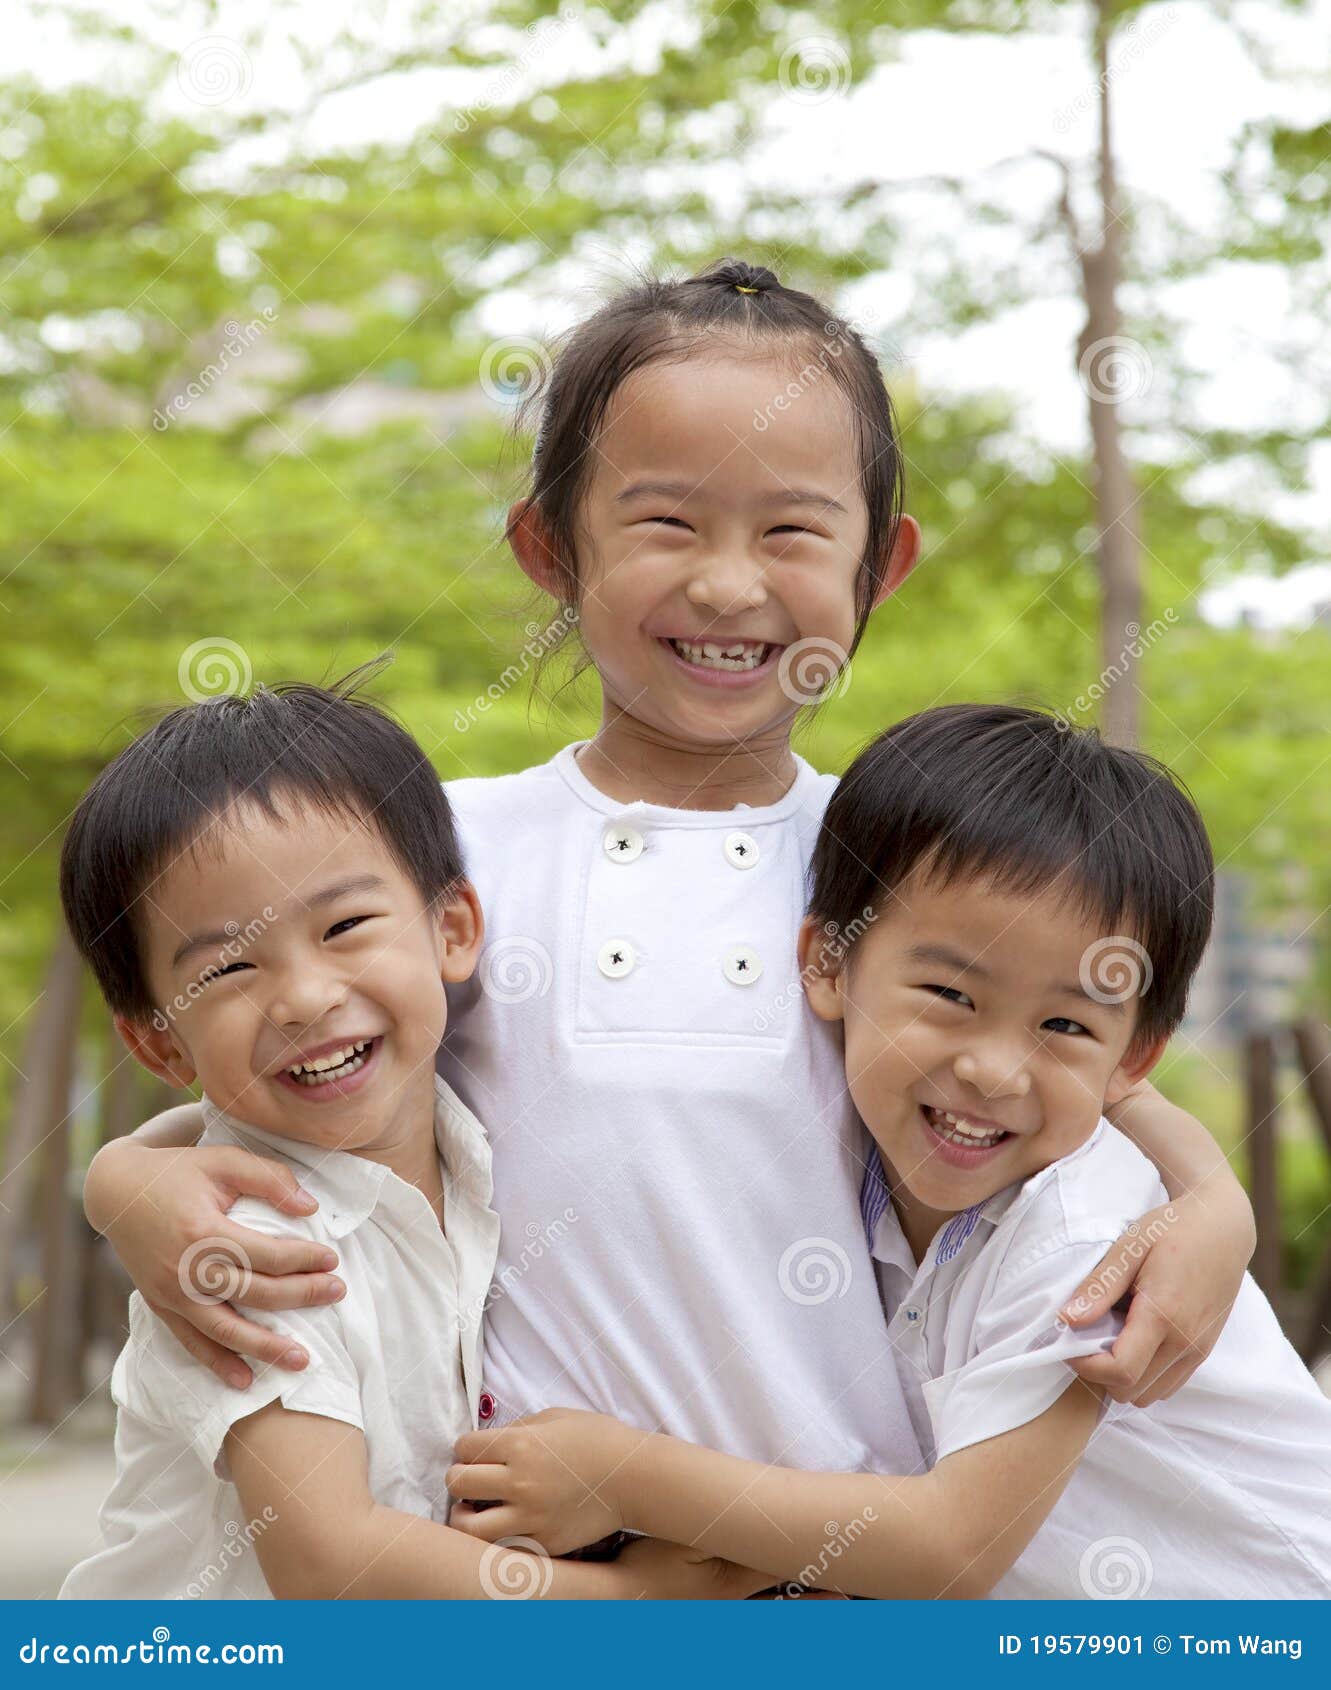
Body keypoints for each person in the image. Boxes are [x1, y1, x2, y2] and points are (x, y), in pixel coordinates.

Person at [83, 261, 1255, 1506]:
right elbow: (288, 1072)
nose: (728, 584)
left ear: (881, 565)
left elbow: (1063, 1066)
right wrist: (128, 1188)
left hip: (836, 1548)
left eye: (793, 530)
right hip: (547, 1555)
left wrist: (1212, 1202)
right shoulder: (440, 855)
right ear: (549, 548)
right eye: (666, 524)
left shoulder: (906, 864)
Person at [442, 706, 1331, 1599]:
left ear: (1132, 1055)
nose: (990, 1070)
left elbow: (948, 1553)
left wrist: (626, 1477)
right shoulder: (880, 1189)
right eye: (949, 993)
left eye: (1062, 1024)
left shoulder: (1079, 1236)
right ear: (826, 964)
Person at [59, 670, 757, 1601]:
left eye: (345, 925)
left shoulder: (470, 1135)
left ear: (453, 928)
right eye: (229, 967)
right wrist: (643, 1604)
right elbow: (326, 1562)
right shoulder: (251, 1243)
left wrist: (126, 1170)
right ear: (155, 1038)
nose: (306, 997)